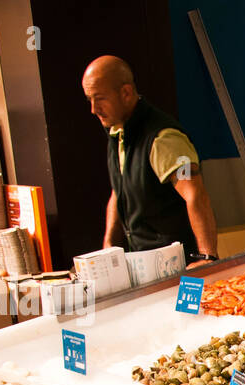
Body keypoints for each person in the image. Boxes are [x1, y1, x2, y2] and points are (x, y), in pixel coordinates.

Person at [81, 55, 219, 266]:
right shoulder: (117, 132)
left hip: (178, 265)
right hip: (142, 265)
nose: (93, 109)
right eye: (89, 99)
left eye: (99, 98)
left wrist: (208, 256)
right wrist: (108, 245)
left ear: (126, 93)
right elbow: (118, 192)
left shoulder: (163, 138)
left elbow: (195, 194)